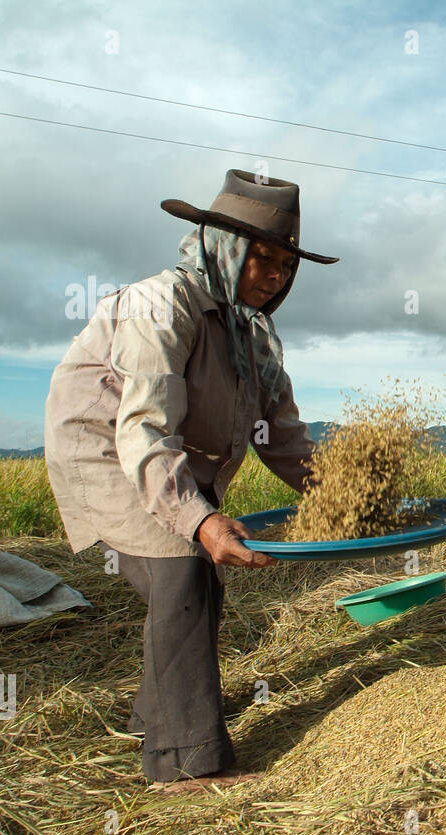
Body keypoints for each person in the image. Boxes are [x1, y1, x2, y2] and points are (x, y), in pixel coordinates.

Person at [43, 169, 337, 793]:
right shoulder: (160, 305)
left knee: (194, 578)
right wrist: (199, 518)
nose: (277, 275)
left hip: (154, 452)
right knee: (180, 563)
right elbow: (143, 429)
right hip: (104, 446)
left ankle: (156, 715)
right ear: (222, 247)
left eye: (287, 264)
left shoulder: (253, 335)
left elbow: (281, 437)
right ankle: (183, 764)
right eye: (263, 257)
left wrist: (340, 496)